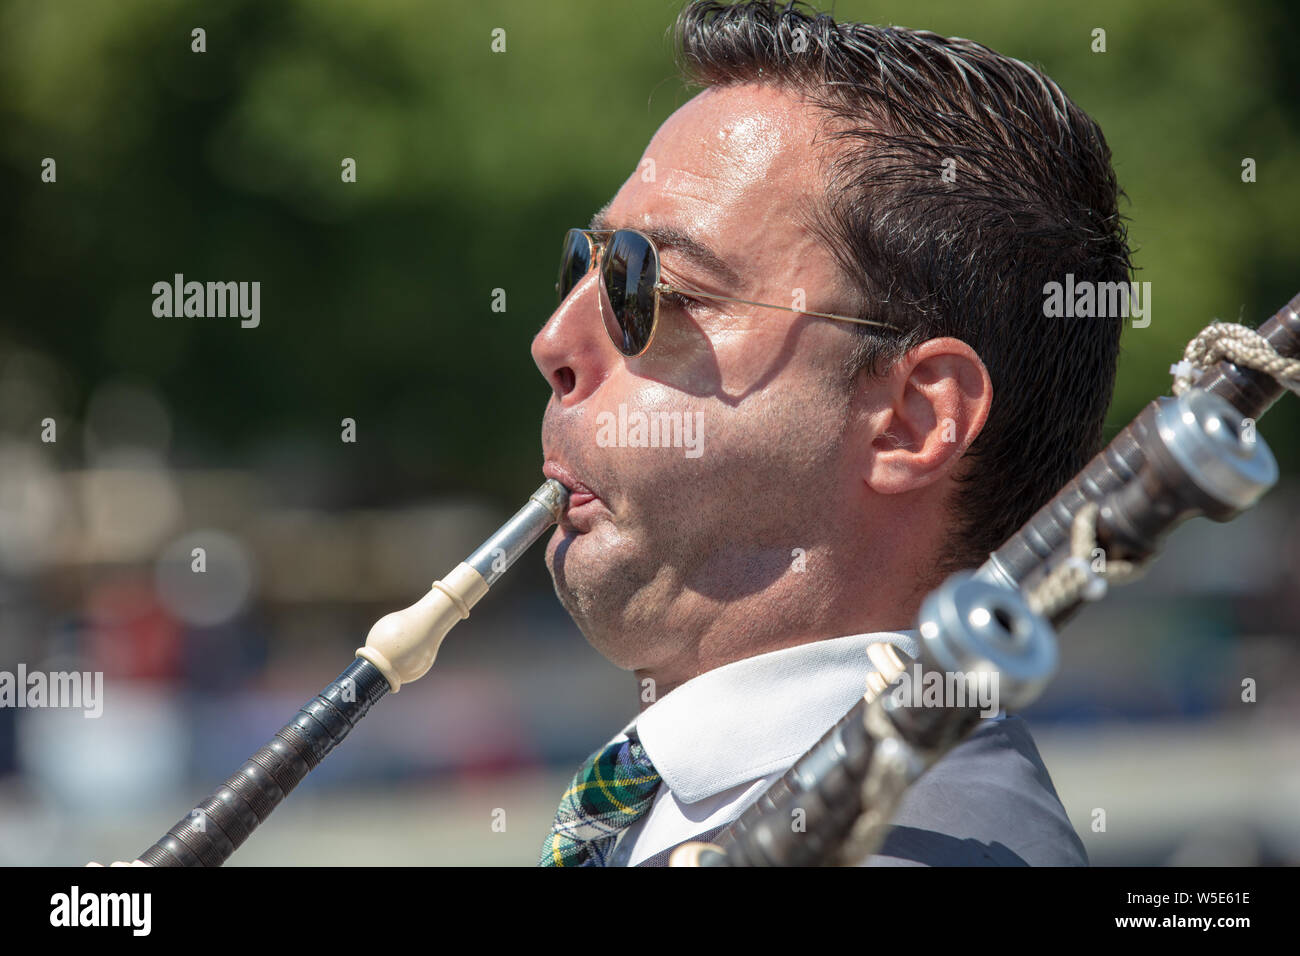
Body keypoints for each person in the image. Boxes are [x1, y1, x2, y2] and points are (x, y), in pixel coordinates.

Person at [532, 0, 1130, 866]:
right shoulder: (675, 805)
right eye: (580, 267)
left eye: (651, 289)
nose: (554, 338)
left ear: (913, 421)